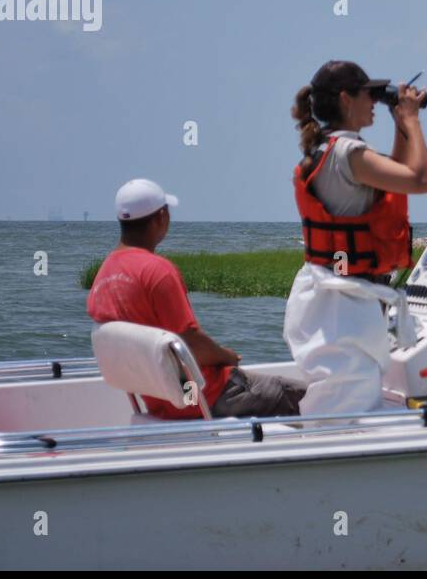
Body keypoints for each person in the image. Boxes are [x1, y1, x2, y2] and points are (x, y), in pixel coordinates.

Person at [284, 61, 427, 416]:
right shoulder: (351, 153)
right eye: (369, 94)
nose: (374, 103)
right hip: (346, 310)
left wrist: (400, 125)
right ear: (345, 99)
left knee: (344, 401)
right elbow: (419, 181)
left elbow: (396, 177)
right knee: (348, 412)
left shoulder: (328, 150)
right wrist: (412, 119)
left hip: (334, 299)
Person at [87, 178, 305, 420]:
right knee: (306, 398)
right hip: (209, 396)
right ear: (161, 217)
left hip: (161, 401)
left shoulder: (104, 273)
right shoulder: (157, 271)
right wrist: (226, 356)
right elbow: (190, 343)